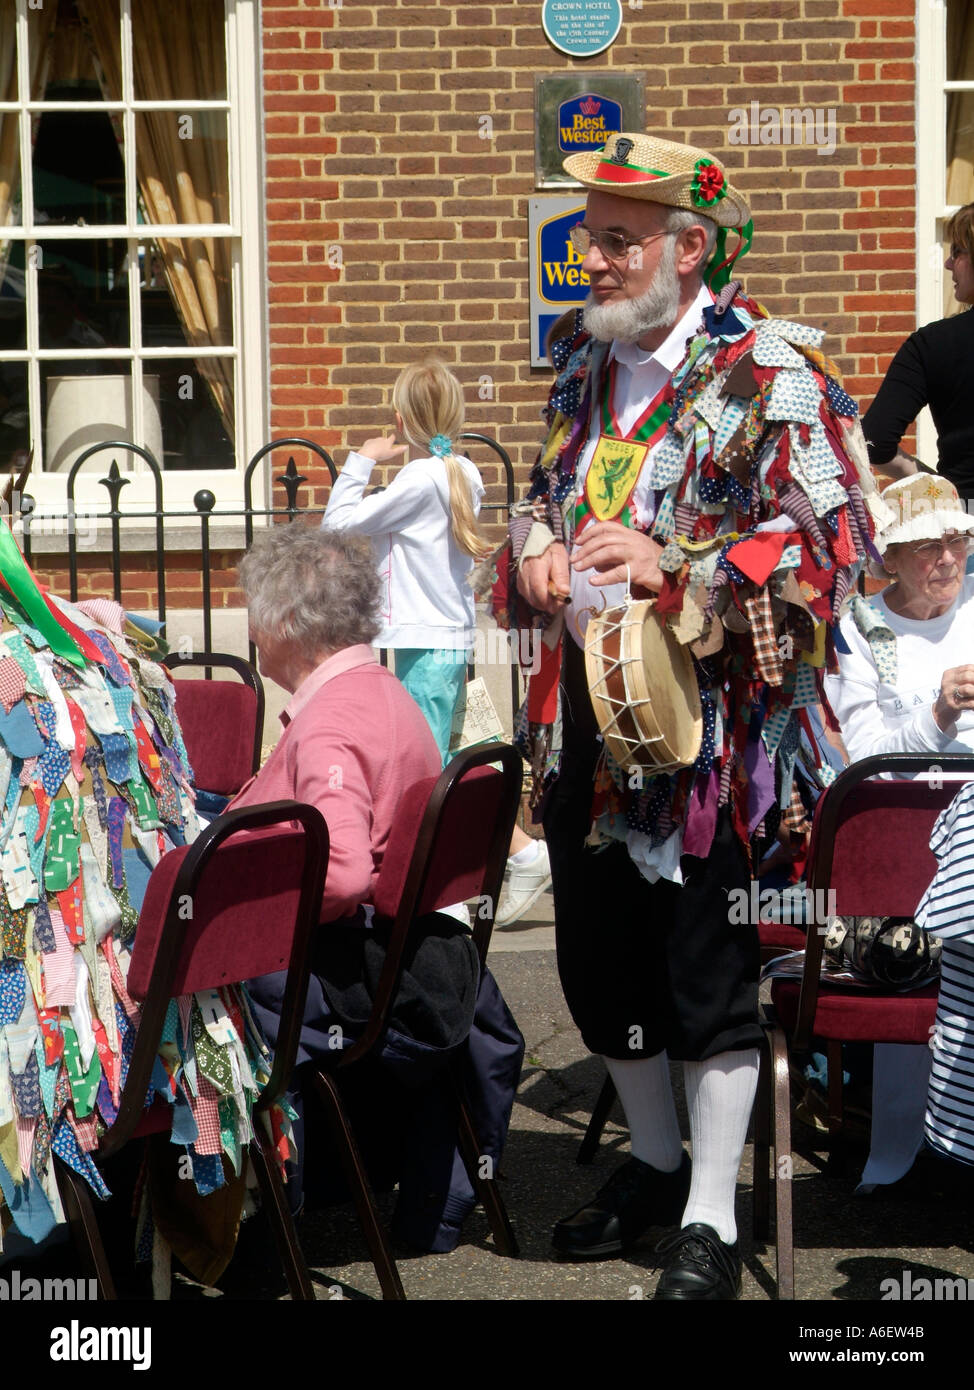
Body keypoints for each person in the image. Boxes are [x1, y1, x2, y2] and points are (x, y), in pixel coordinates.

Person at [509, 131, 880, 1297]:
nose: (593, 261)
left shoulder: (774, 370)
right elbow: (545, 485)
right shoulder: (581, 357)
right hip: (590, 715)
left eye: (616, 241)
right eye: (586, 239)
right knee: (596, 963)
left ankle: (711, 1219)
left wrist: (677, 566)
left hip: (717, 735)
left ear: (687, 246)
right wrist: (532, 543)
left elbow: (834, 544)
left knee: (705, 976)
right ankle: (657, 1167)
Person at [233, 522, 524, 1252]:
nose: (249, 629)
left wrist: (244, 914)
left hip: (353, 970)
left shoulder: (329, 724)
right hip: (412, 955)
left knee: (191, 982)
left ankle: (237, 1215)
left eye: (253, 612)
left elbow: (343, 874)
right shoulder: (387, 692)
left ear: (285, 624)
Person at [321, 358, 552, 927]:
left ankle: (479, 871)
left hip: (423, 640)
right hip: (442, 637)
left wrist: (361, 461)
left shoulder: (419, 479)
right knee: (442, 760)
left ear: (400, 419)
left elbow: (337, 524)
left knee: (422, 771)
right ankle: (493, 862)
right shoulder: (461, 472)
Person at [822, 474, 974, 1192]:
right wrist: (939, 717)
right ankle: (913, 1151)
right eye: (928, 547)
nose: (948, 559)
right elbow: (867, 762)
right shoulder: (860, 626)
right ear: (893, 552)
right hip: (899, 872)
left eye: (958, 541)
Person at [862, 203, 974, 496]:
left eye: (957, 252)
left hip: (966, 523)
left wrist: (939, 486)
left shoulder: (933, 343)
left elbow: (874, 440)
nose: (948, 264)